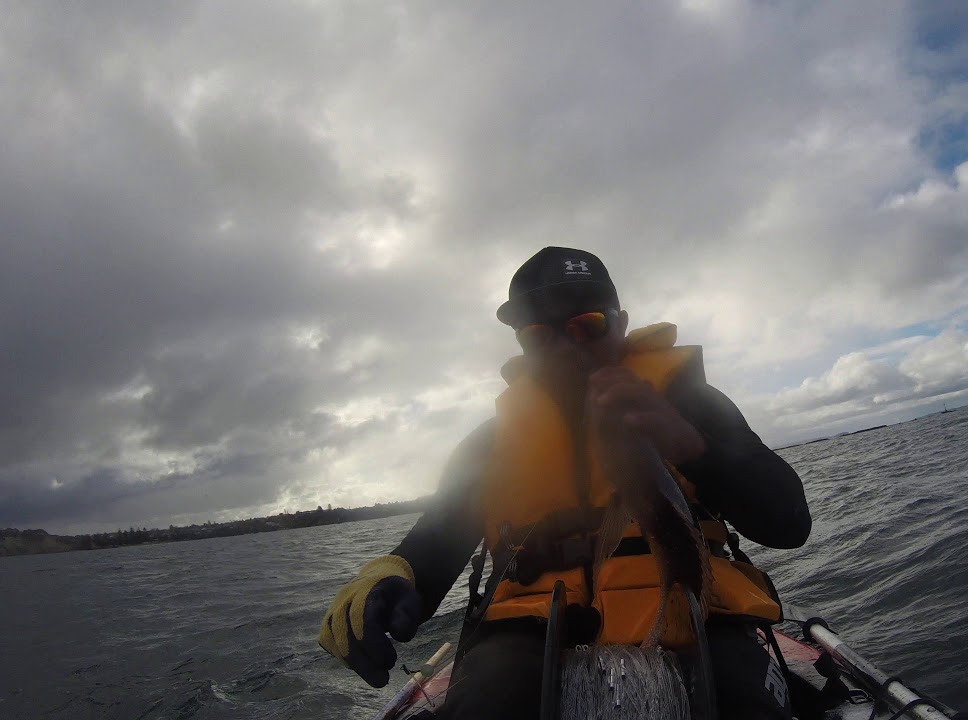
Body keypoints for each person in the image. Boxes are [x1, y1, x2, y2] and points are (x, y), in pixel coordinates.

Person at [318, 247, 811, 719]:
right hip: (528, 631)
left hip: (699, 614)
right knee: (490, 702)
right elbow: (436, 544)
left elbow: (790, 523)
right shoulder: (494, 442)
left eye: (588, 325)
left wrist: (693, 447)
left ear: (619, 324)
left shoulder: (692, 402)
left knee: (746, 702)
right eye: (539, 335)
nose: (568, 345)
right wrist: (387, 578)